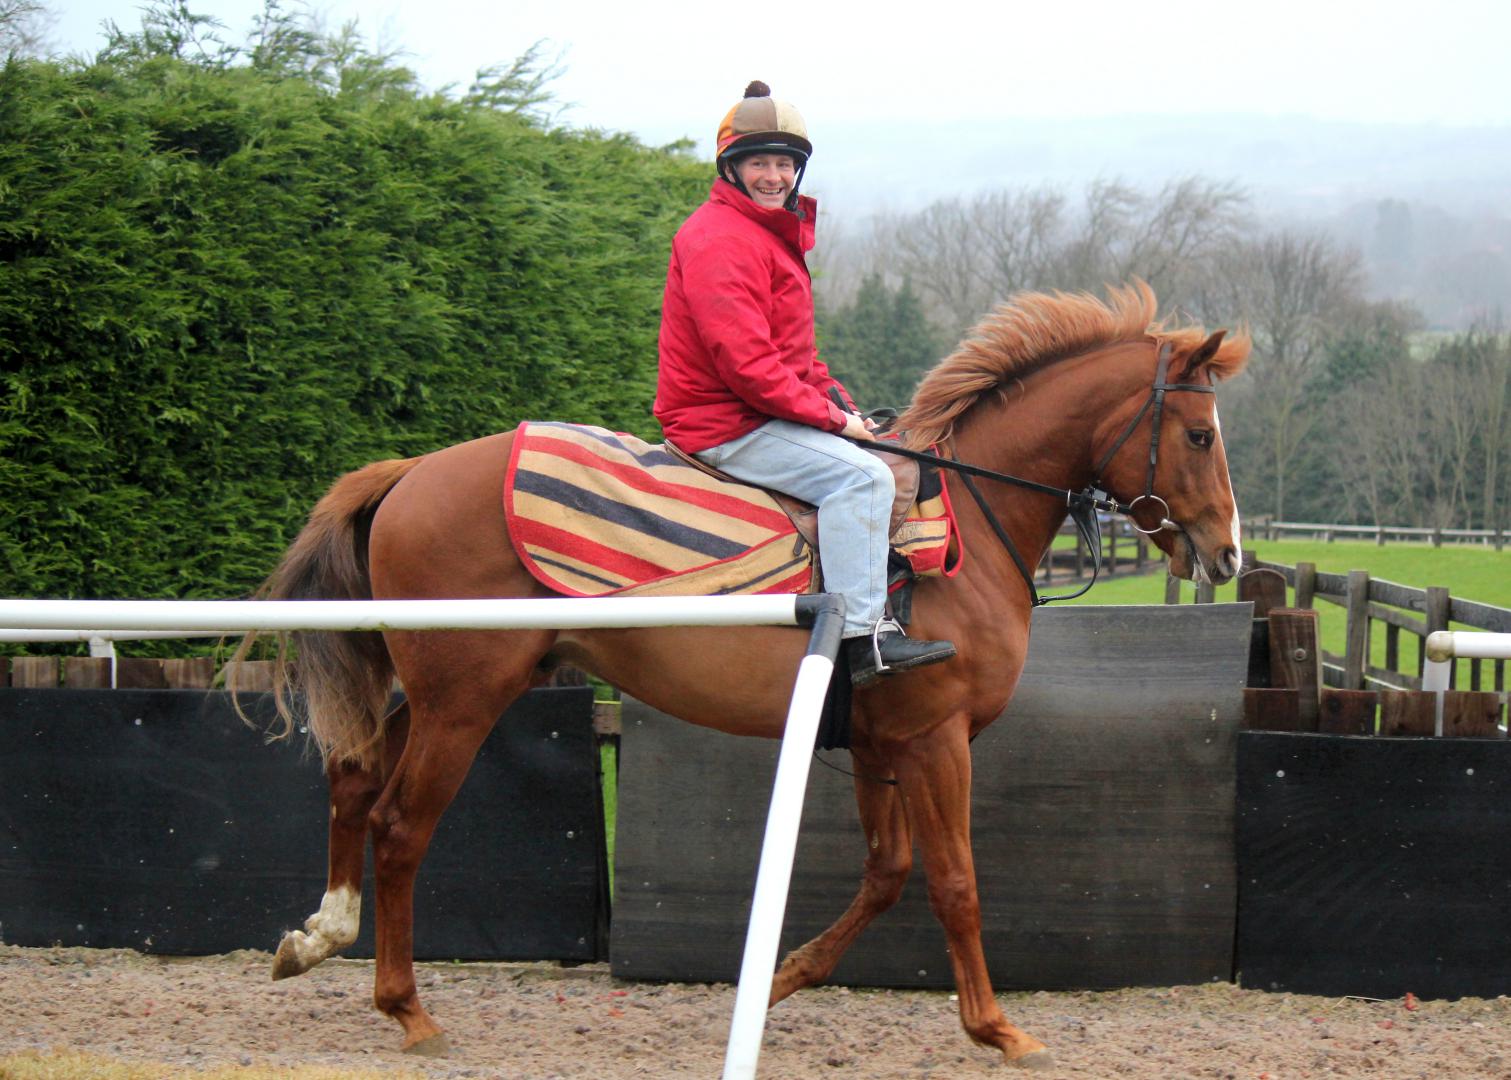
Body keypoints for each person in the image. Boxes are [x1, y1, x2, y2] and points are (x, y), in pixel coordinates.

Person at [653, 80, 956, 686]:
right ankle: (862, 640)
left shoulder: (765, 234)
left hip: (756, 411)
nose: (774, 175)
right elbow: (748, 367)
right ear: (732, 169)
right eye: (759, 162)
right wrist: (833, 423)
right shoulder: (720, 239)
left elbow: (797, 360)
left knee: (885, 451)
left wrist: (847, 411)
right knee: (865, 477)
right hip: (724, 423)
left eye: (785, 163)